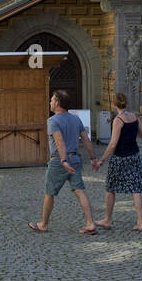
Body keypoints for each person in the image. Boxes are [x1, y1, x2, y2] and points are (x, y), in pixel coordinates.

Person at [29, 90, 98, 235]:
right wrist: (93, 158)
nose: (50, 102)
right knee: (80, 190)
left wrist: (63, 160)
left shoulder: (53, 121)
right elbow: (86, 139)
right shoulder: (76, 119)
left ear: (57, 103)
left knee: (49, 193)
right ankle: (90, 223)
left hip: (59, 162)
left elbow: (59, 142)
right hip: (76, 159)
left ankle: (43, 224)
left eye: (52, 100)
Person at [93, 92, 142, 232]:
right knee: (135, 189)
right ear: (127, 103)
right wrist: (131, 133)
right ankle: (140, 223)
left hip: (120, 158)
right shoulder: (134, 117)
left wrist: (102, 160)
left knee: (110, 189)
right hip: (134, 156)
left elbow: (112, 144)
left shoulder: (118, 120)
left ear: (114, 104)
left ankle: (107, 220)